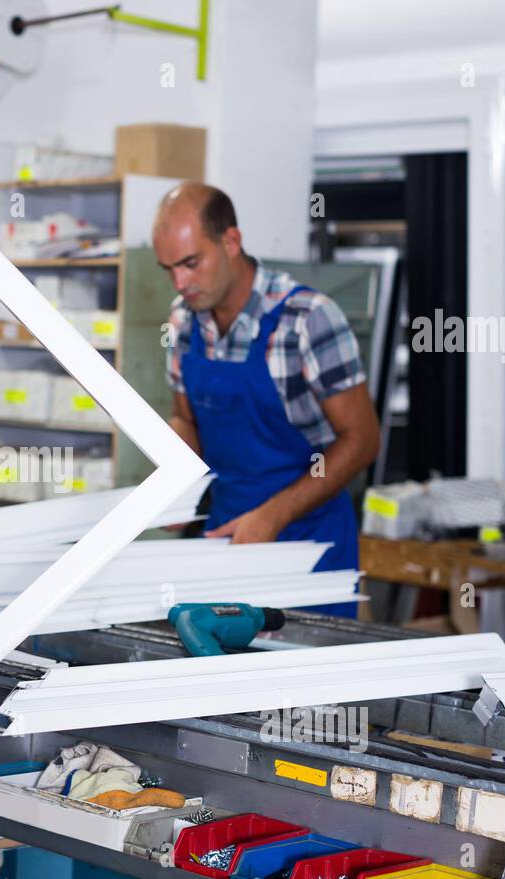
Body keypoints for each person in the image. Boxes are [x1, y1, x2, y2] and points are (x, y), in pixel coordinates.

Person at [154, 183, 379, 619]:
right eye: (168, 269)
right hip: (225, 541)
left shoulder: (307, 320)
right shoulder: (183, 322)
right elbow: (187, 420)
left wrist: (272, 516)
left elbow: (363, 440)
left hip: (309, 549)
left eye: (191, 263)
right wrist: (174, 485)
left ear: (231, 241)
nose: (181, 283)